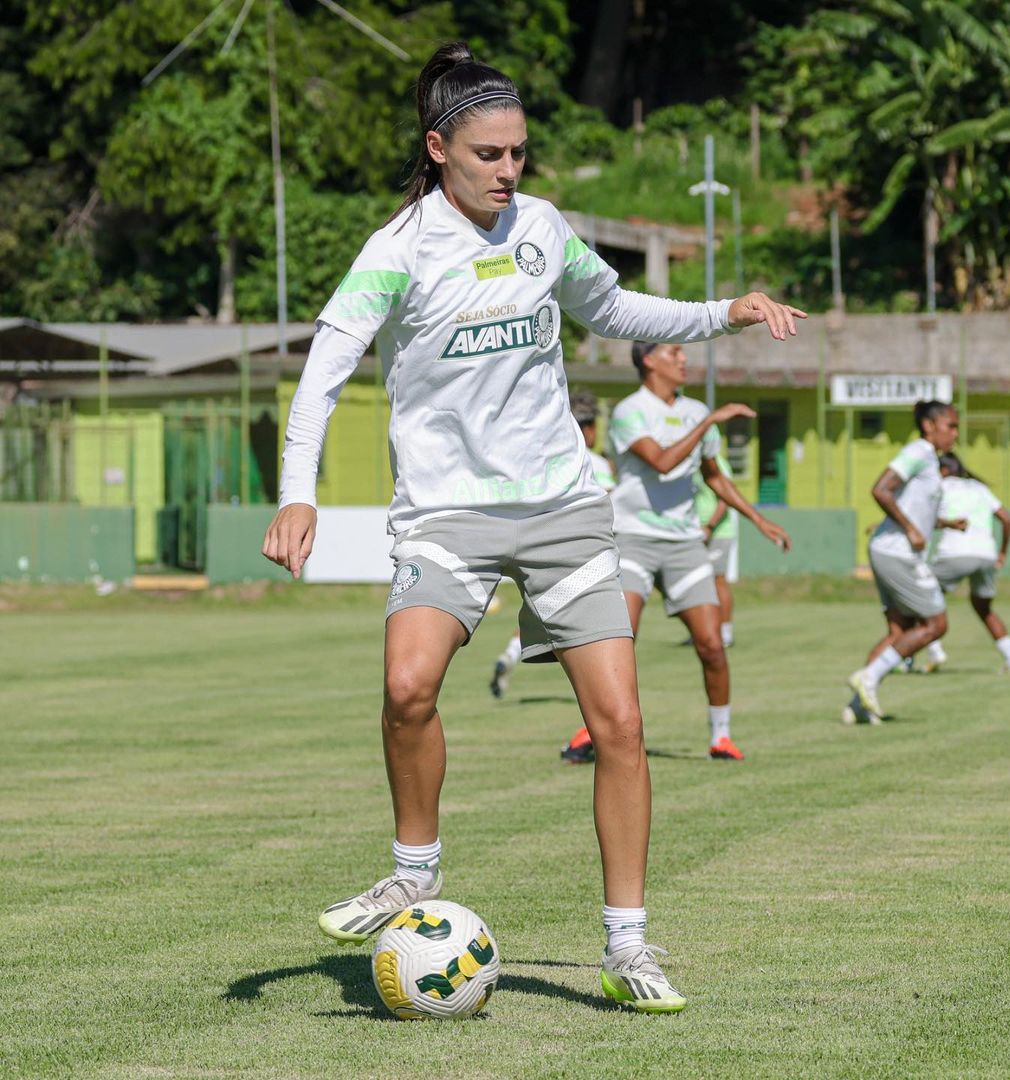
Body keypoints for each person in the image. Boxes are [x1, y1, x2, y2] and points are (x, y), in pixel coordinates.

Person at [261, 41, 806, 1014]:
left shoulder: (543, 230)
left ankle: (627, 947)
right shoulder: (397, 253)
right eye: (489, 155)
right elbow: (326, 367)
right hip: (446, 516)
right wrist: (297, 490)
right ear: (438, 149)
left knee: (623, 725)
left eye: (519, 153)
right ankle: (414, 870)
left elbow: (619, 307)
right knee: (406, 685)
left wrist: (727, 310)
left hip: (562, 509)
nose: (509, 170)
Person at [559, 341, 791, 765]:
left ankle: (721, 737)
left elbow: (714, 477)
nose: (684, 359)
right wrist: (710, 424)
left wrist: (759, 520)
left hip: (685, 544)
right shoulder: (631, 410)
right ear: (649, 360)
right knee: (619, 642)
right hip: (632, 539)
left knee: (712, 644)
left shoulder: (696, 411)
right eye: (674, 353)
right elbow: (662, 462)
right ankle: (588, 731)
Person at [489, 390, 616, 698]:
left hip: (544, 553)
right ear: (587, 429)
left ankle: (509, 654)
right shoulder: (595, 463)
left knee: (541, 611)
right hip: (588, 557)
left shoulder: (544, 463)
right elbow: (609, 506)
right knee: (594, 633)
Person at [844, 400, 960, 724]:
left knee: (899, 633)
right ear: (929, 426)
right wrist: (909, 528)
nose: (955, 433)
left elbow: (917, 510)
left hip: (889, 549)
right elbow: (881, 489)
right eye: (950, 426)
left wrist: (944, 524)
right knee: (936, 625)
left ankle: (858, 705)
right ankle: (867, 679)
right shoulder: (919, 452)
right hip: (897, 551)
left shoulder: (929, 460)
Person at [921, 452, 1010, 675]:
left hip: (955, 553)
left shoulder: (940, 487)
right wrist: (1003, 553)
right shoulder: (979, 488)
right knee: (984, 608)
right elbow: (1006, 519)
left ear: (945, 470)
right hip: (986, 554)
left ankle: (933, 650)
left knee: (919, 593)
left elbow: (925, 519)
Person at [695, 457, 739, 648]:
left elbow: (725, 497)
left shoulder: (717, 462)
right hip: (695, 532)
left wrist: (710, 526)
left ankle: (725, 632)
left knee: (718, 580)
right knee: (698, 583)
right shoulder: (691, 461)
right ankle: (702, 631)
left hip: (718, 532)